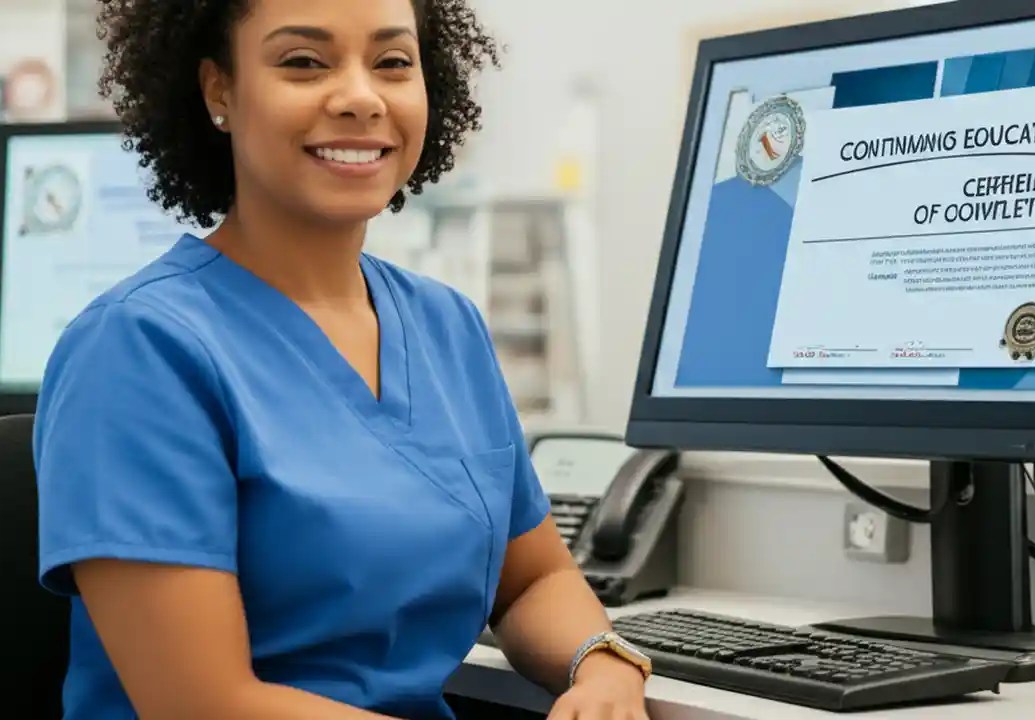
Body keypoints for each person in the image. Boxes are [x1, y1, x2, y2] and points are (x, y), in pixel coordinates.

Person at [32, 1, 651, 718]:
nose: (361, 97)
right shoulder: (137, 349)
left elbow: (532, 579)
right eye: (303, 62)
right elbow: (202, 703)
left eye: (393, 63)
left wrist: (603, 667)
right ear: (218, 91)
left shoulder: (447, 325)